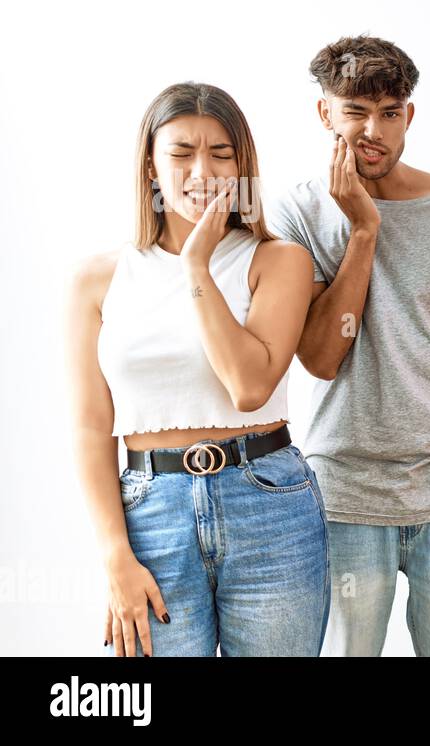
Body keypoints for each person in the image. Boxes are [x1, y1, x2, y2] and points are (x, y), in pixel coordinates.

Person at [266, 35, 430, 657]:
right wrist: (363, 229)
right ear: (325, 114)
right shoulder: (297, 212)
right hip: (343, 495)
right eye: (355, 111)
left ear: (410, 114)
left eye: (389, 112)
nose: (372, 130)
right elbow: (323, 356)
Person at [68, 82, 325, 656]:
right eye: (181, 153)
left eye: (221, 153)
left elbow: (250, 385)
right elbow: (89, 427)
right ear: (152, 169)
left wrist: (196, 267)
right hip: (150, 514)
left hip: (267, 503)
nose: (202, 169)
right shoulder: (97, 279)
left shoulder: (278, 261)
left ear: (242, 166)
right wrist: (115, 555)